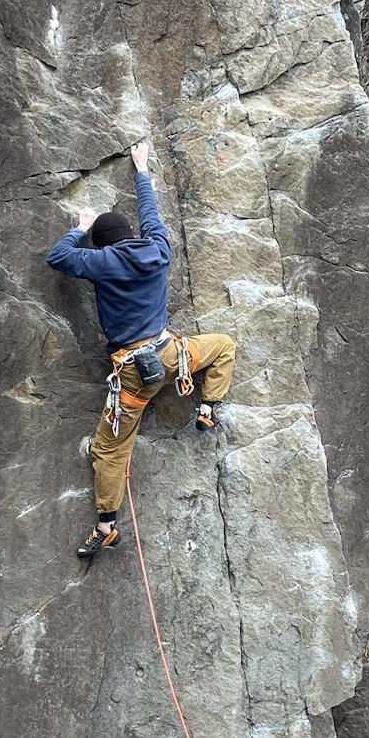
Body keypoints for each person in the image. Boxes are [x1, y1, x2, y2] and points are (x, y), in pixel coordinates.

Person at [48, 142, 236, 560]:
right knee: (223, 346)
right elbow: (152, 216)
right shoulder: (157, 249)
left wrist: (80, 226)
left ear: (102, 244)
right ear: (130, 235)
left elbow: (59, 257)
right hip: (173, 354)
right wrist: (141, 169)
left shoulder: (101, 262)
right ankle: (208, 408)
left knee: (111, 449)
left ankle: (107, 526)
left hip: (133, 373)